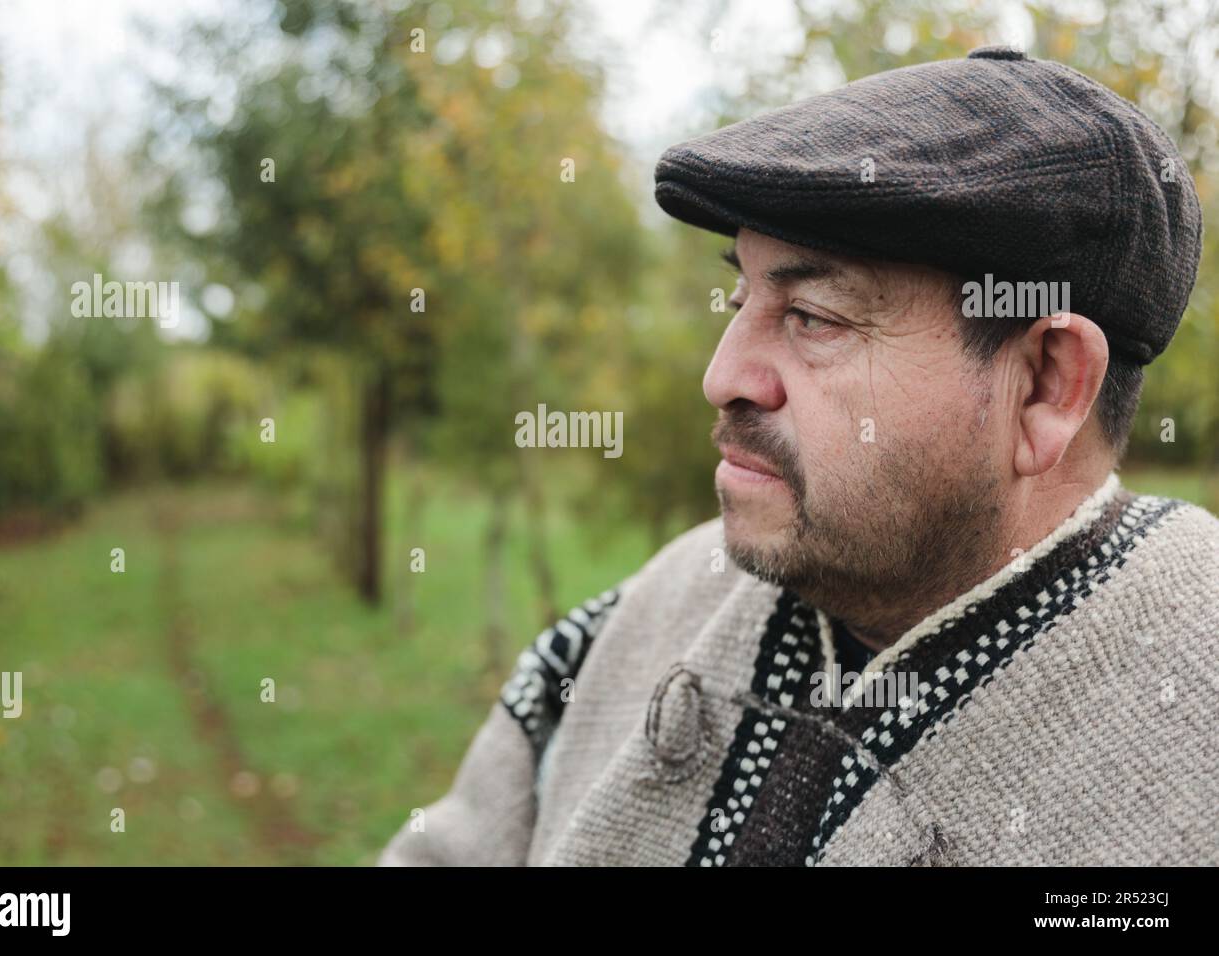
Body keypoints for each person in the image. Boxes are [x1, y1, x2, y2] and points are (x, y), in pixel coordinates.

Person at [378, 46, 1217, 866]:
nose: (722, 377)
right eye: (742, 297)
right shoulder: (660, 606)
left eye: (815, 316)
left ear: (1044, 386)